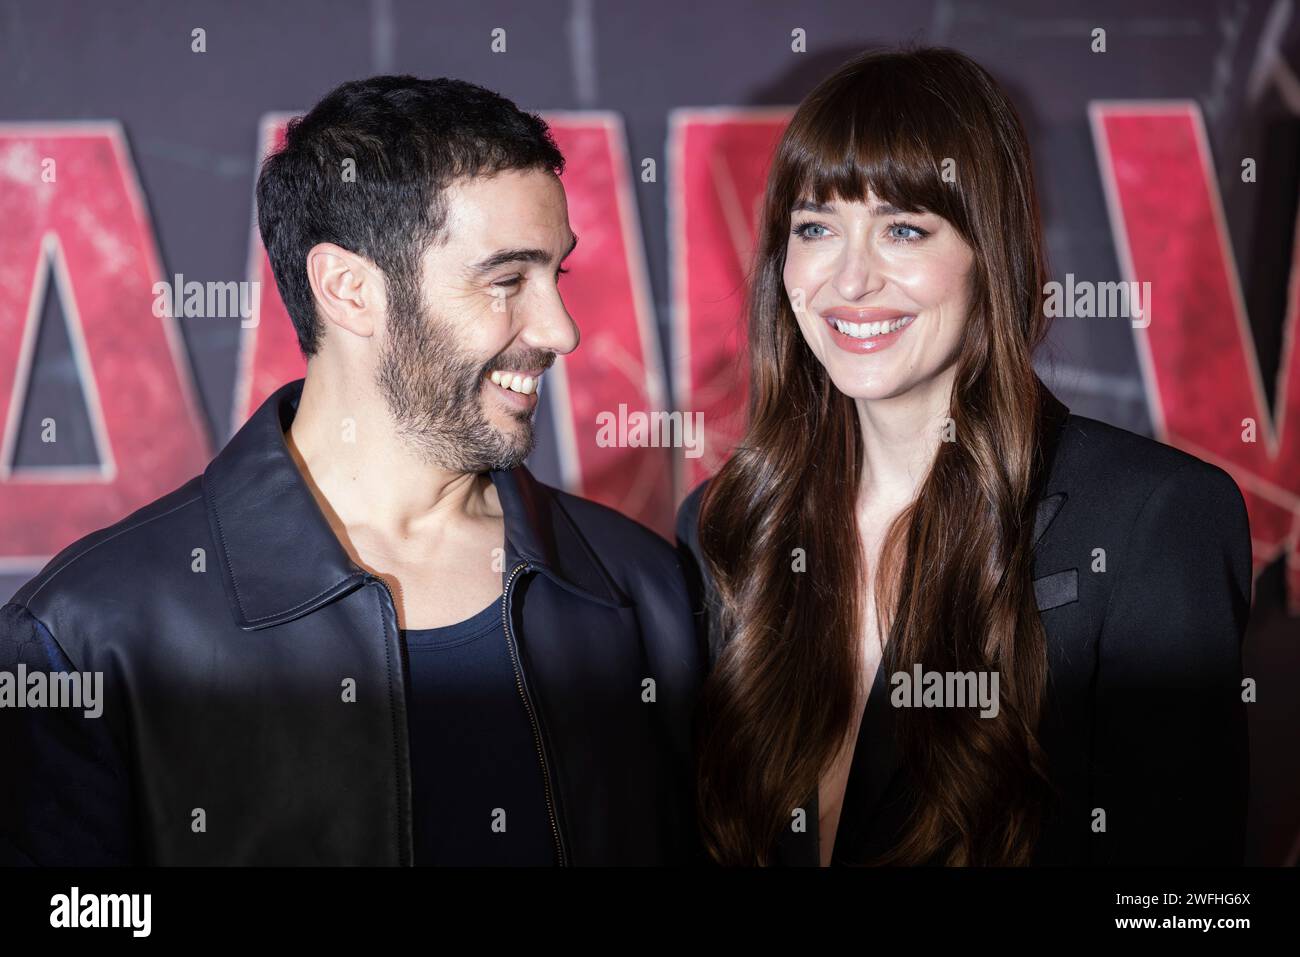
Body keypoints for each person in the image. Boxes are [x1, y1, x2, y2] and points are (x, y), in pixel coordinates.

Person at [1, 75, 704, 866]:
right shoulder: (87, 634)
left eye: (556, 275)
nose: (562, 330)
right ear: (349, 290)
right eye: (507, 281)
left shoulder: (643, 592)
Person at [675, 46, 1252, 867]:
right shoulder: (730, 527)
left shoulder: (1149, 519)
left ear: (992, 251)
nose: (850, 279)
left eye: (904, 228)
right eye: (815, 228)